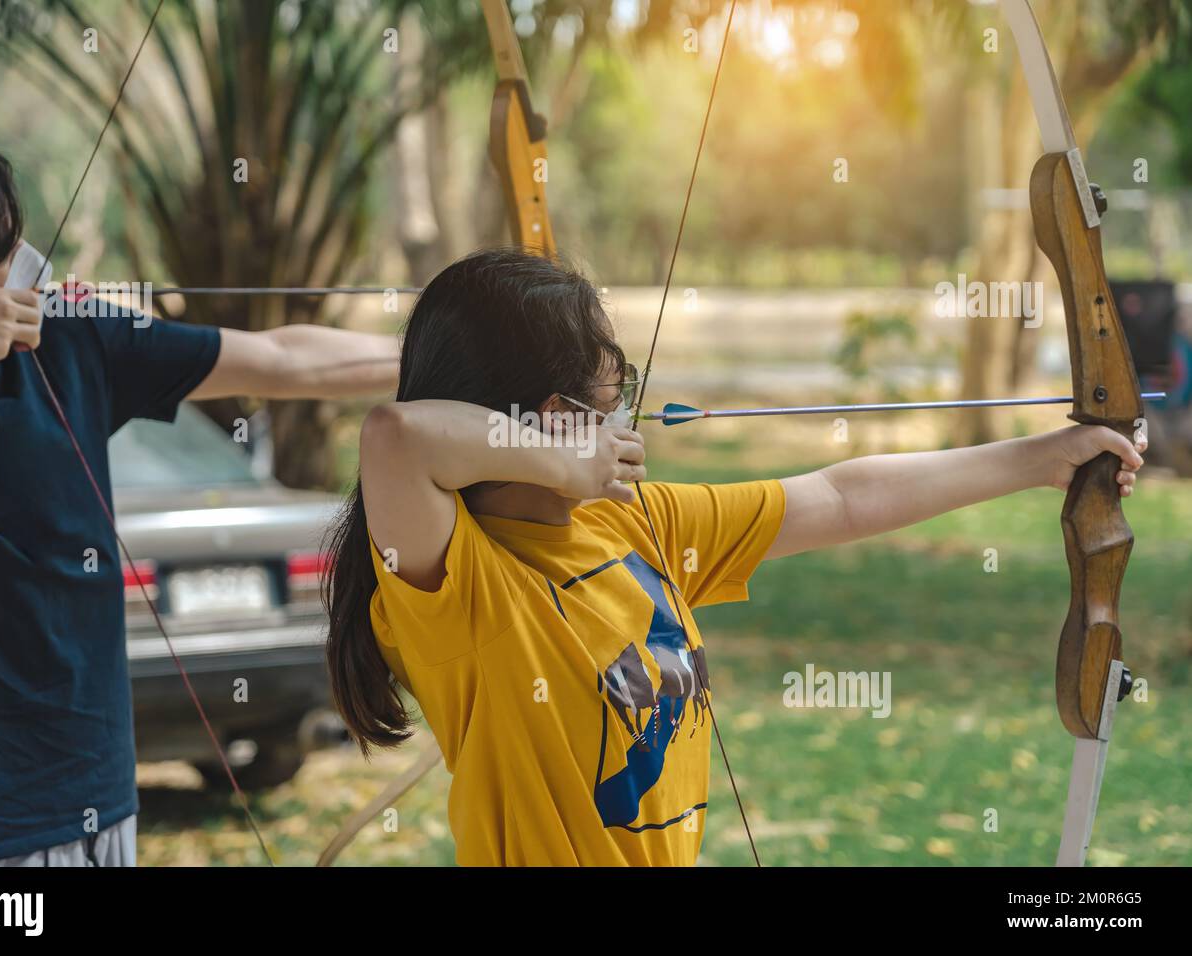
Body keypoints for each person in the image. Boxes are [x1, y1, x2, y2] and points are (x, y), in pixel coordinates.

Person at [324, 248, 1146, 867]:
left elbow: (839, 497)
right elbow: (394, 437)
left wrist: (1044, 459)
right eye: (616, 400)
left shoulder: (633, 524)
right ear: (556, 415)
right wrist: (564, 459)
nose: (628, 421)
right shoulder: (459, 586)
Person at [0, 134, 398, 866]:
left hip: (99, 793)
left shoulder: (73, 339)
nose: (30, 265)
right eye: (6, 252)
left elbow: (284, 358)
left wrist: (452, 364)